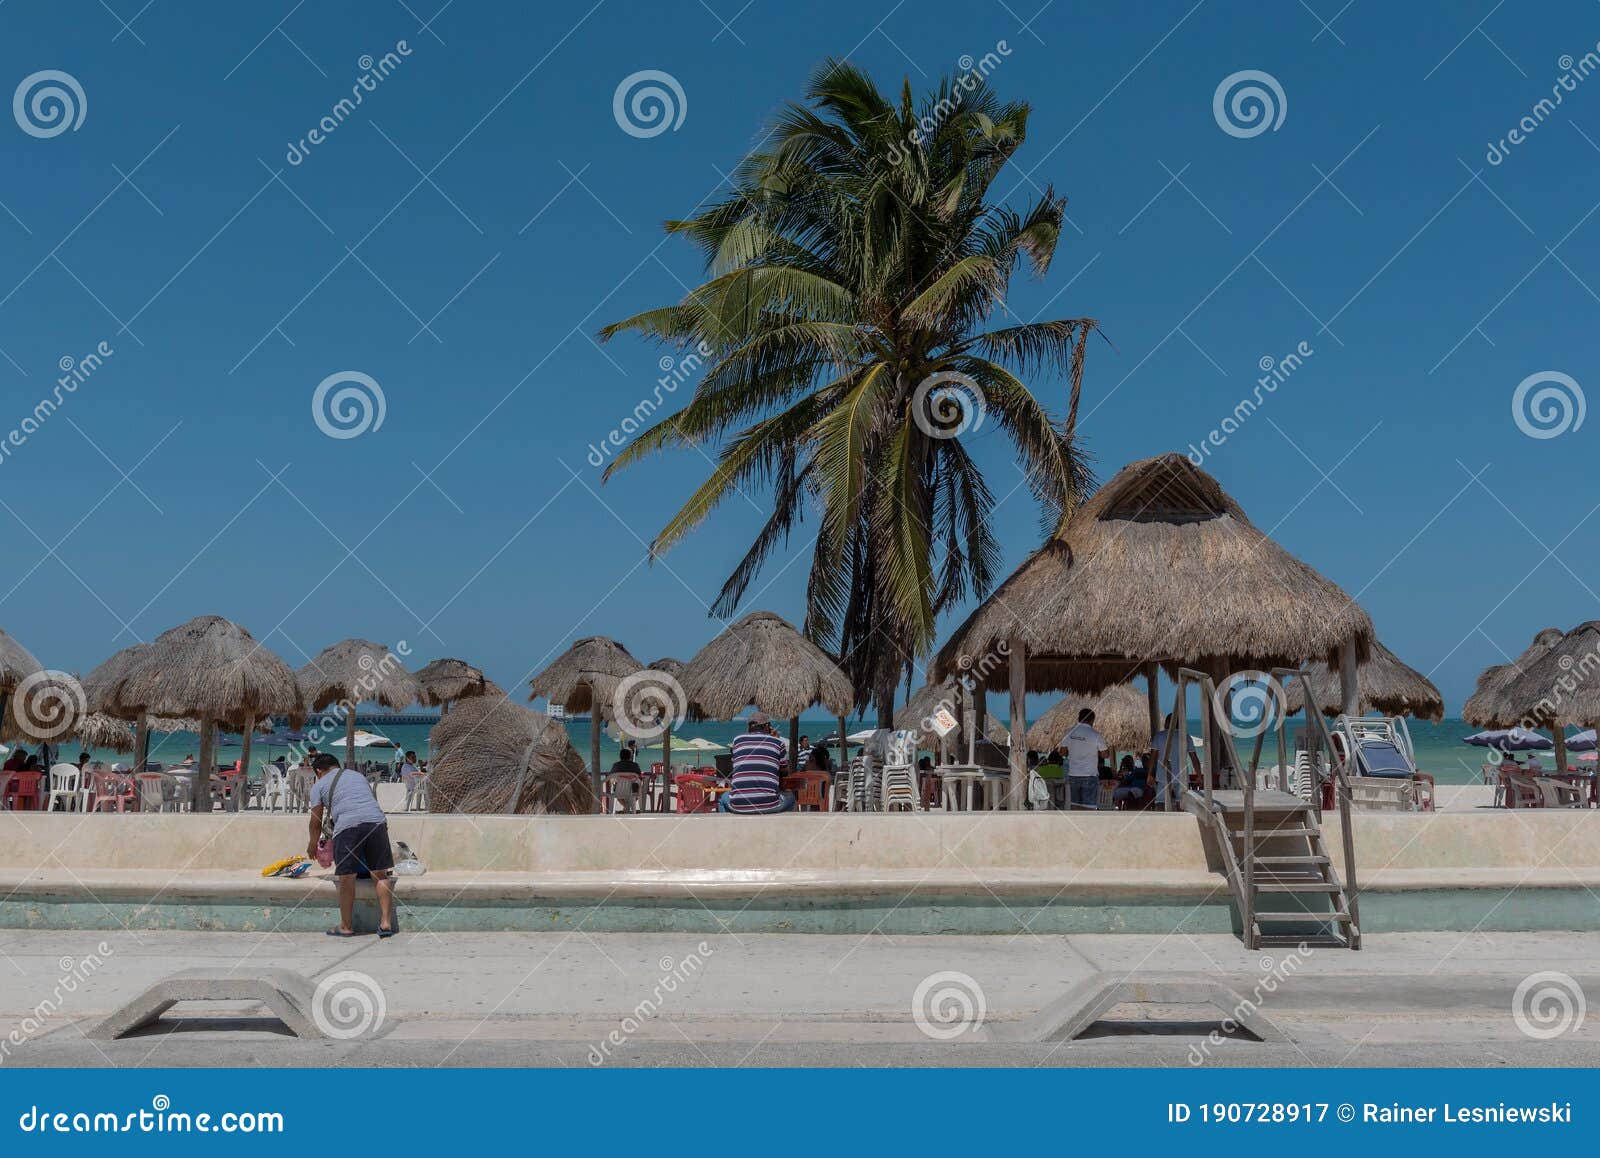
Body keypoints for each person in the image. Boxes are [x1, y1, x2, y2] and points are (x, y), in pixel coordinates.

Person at [306, 753, 396, 937]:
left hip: (348, 827)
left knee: (347, 877)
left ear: (318, 771)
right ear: (336, 766)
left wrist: (312, 844)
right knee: (380, 874)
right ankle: (386, 923)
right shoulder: (357, 776)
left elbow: (315, 819)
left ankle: (346, 927)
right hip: (377, 822)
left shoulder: (319, 785)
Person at [722, 712, 794, 813]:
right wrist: (775, 739)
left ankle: (727, 827)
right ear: (767, 726)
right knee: (791, 797)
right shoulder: (778, 743)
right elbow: (785, 772)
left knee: (723, 798)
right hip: (769, 804)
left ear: (749, 727)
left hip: (739, 805)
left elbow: (735, 766)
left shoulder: (737, 740)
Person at [1149, 714, 1202, 809]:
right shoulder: (1186, 737)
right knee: (1181, 802)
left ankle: (1162, 822)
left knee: (1161, 802)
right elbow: (1194, 758)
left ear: (1166, 723)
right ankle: (1180, 822)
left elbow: (1152, 758)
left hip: (1163, 775)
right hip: (1181, 776)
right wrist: (1199, 775)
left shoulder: (1159, 736)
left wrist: (1149, 774)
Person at [1061, 708, 1107, 811]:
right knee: (1089, 808)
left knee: (1074, 806)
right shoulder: (1096, 734)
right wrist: (1095, 751)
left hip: (1073, 774)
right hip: (1089, 775)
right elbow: (1105, 755)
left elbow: (1062, 753)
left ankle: (1075, 825)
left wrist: (1073, 749)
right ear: (1092, 720)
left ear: (1079, 718)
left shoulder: (1068, 732)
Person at [607, 745, 645, 811]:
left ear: (620, 756)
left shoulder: (616, 765)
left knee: (615, 787)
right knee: (638, 789)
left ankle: (625, 806)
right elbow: (639, 777)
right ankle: (628, 807)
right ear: (630, 756)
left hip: (618, 791)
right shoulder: (635, 765)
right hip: (633, 791)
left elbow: (611, 777)